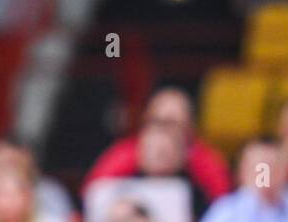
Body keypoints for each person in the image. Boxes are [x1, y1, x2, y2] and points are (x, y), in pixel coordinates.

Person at [84, 87, 232, 203]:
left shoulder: (205, 161)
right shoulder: (125, 153)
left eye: (173, 124)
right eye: (158, 122)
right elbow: (93, 193)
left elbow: (224, 203)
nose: (164, 134)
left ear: (189, 127)